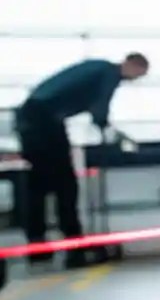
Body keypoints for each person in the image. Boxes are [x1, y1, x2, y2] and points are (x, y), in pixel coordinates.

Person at [16, 53, 150, 267]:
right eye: (138, 74)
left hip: (30, 118)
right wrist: (111, 134)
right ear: (132, 65)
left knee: (37, 187)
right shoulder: (109, 72)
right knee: (66, 186)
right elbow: (99, 109)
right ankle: (74, 249)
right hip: (44, 122)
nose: (134, 79)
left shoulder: (96, 66)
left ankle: (38, 248)